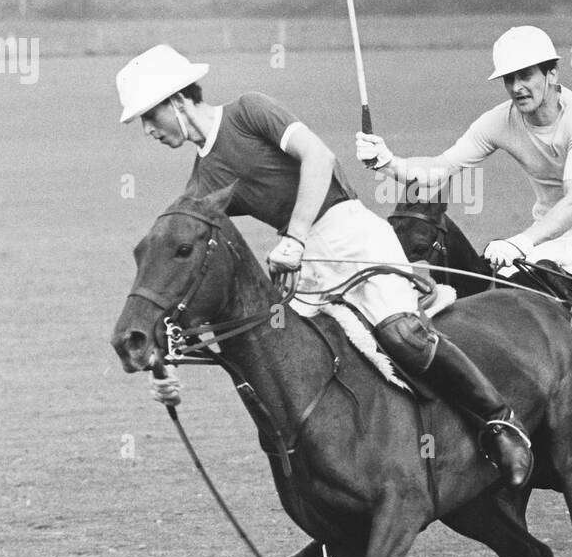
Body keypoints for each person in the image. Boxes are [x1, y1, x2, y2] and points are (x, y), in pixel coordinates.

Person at [115, 46, 535, 521]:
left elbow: (319, 157)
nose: (149, 131)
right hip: (305, 264)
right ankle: (339, 506)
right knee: (296, 369)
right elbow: (175, 252)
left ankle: (502, 423)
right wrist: (162, 362)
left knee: (402, 336)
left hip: (348, 232)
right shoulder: (202, 182)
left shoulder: (249, 111)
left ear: (176, 101)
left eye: (149, 117)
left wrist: (294, 236)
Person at [356, 25, 572, 464]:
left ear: (552, 74)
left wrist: (521, 242)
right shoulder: (499, 122)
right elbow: (441, 168)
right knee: (507, 298)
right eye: (510, 79)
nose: (518, 87)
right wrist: (389, 162)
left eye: (527, 76)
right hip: (553, 232)